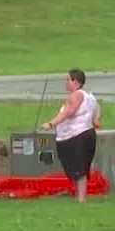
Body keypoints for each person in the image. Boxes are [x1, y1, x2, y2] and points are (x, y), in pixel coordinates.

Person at [41, 69, 101, 203]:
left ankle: (81, 199)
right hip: (84, 134)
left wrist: (51, 123)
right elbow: (97, 108)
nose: (66, 82)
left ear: (76, 81)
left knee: (79, 168)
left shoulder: (76, 95)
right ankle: (79, 196)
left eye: (68, 79)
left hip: (76, 135)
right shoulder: (89, 96)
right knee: (77, 168)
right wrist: (95, 119)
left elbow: (69, 112)